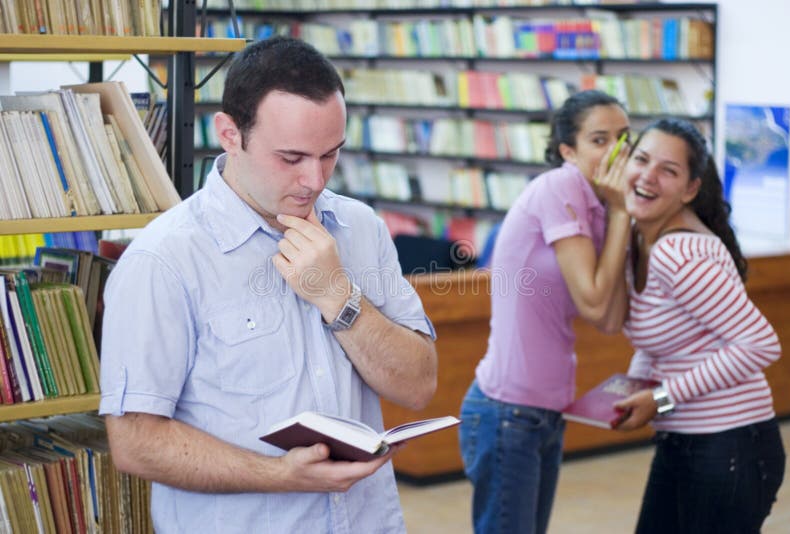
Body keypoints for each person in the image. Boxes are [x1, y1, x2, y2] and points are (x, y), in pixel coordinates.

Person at [98, 36, 438, 533]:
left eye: (330, 155)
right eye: (291, 157)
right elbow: (134, 442)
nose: (315, 179)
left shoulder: (360, 227)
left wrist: (338, 297)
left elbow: (419, 386)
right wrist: (281, 475)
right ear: (229, 134)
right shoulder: (163, 260)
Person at [458, 90, 632, 534]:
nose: (616, 150)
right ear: (567, 151)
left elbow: (610, 321)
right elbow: (595, 300)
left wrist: (619, 217)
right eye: (599, 139)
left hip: (547, 410)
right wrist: (621, 214)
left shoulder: (599, 209)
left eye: (624, 137)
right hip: (506, 410)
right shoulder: (560, 186)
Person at [613, 118, 786, 534]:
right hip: (686, 442)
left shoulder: (680, 254)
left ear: (691, 189)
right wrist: (635, 386)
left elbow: (761, 344)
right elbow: (665, 340)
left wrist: (662, 397)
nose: (648, 176)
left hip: (730, 446)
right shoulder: (640, 236)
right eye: (642, 159)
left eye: (668, 170)